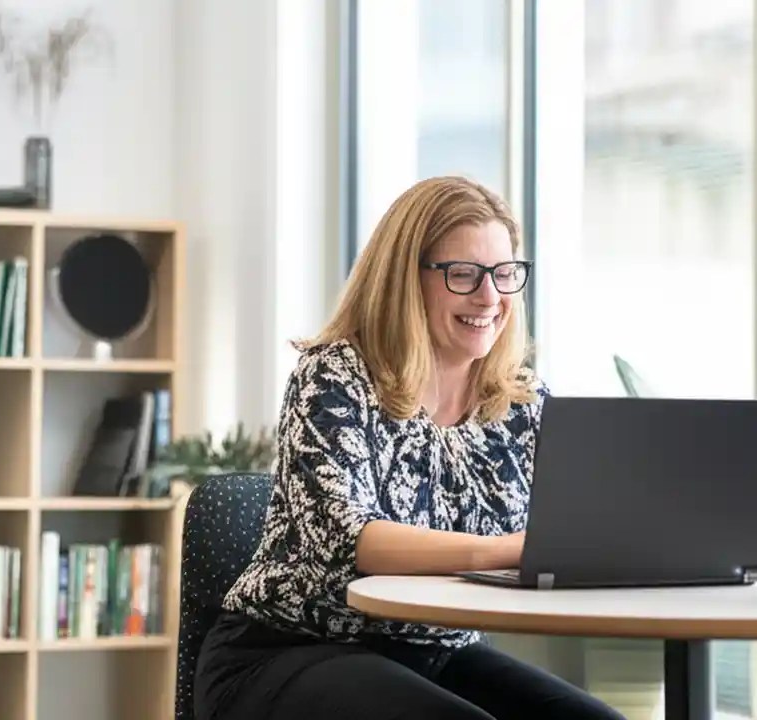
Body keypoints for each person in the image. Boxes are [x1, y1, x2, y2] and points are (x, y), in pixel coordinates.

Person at [194, 176, 625, 720]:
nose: (489, 297)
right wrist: (499, 551)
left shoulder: (523, 402)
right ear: (406, 280)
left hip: (434, 652)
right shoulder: (335, 376)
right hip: (287, 653)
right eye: (464, 275)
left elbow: (576, 523)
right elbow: (346, 540)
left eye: (503, 274)